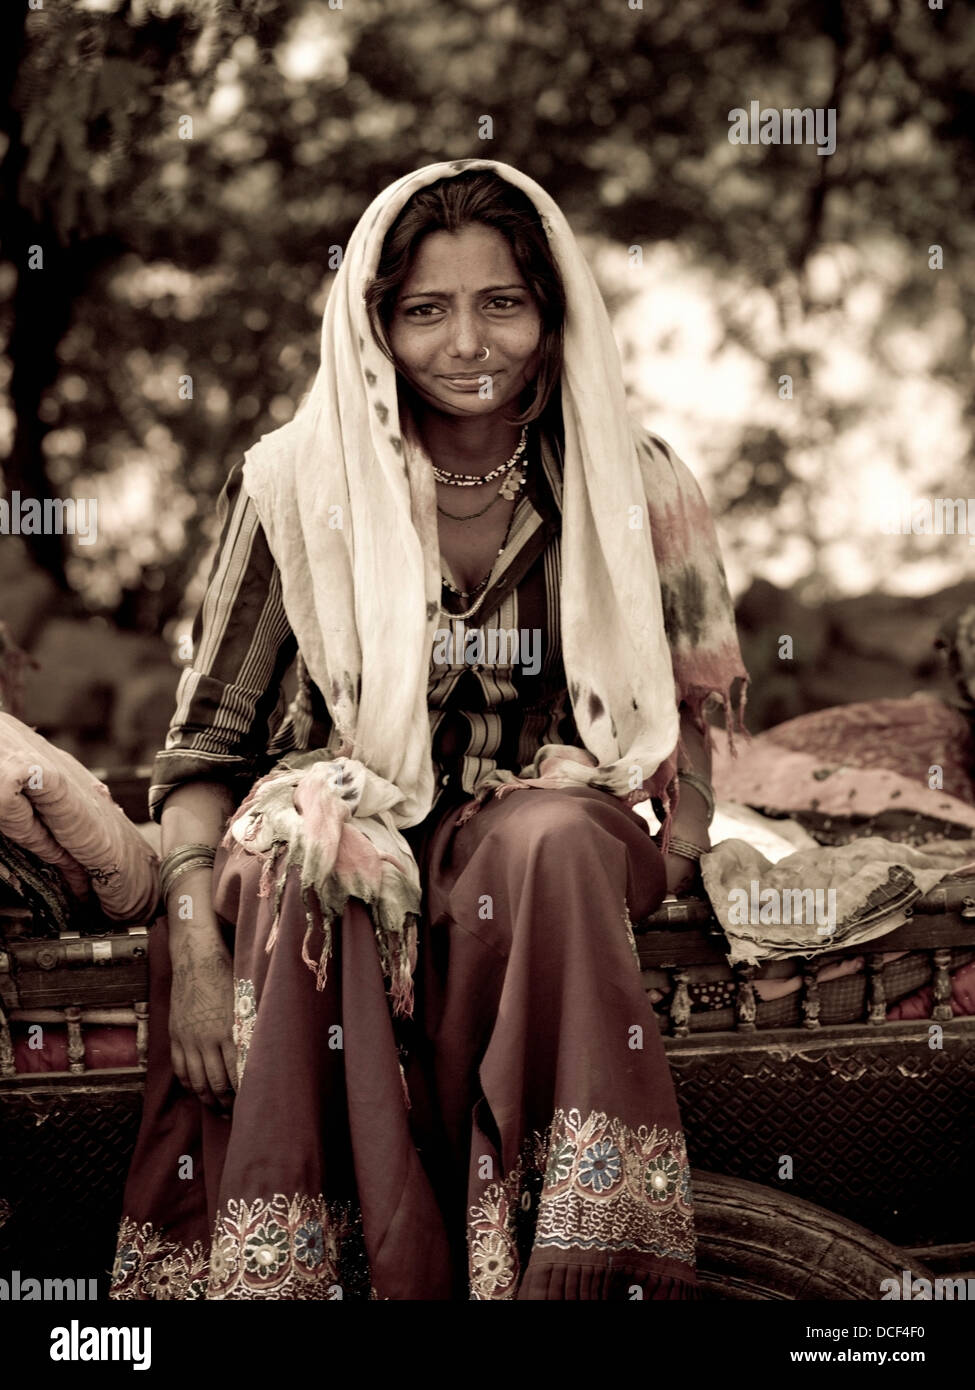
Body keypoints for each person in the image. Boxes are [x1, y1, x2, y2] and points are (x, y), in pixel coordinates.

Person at [109, 159, 747, 1302]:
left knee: (548, 840)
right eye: (425, 310)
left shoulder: (629, 479)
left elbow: (686, 723)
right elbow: (204, 750)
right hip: (338, 821)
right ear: (374, 324)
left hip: (536, 822)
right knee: (312, 860)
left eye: (501, 301)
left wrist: (687, 852)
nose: (468, 343)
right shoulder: (295, 486)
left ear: (552, 315)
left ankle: (576, 1256)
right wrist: (197, 948)